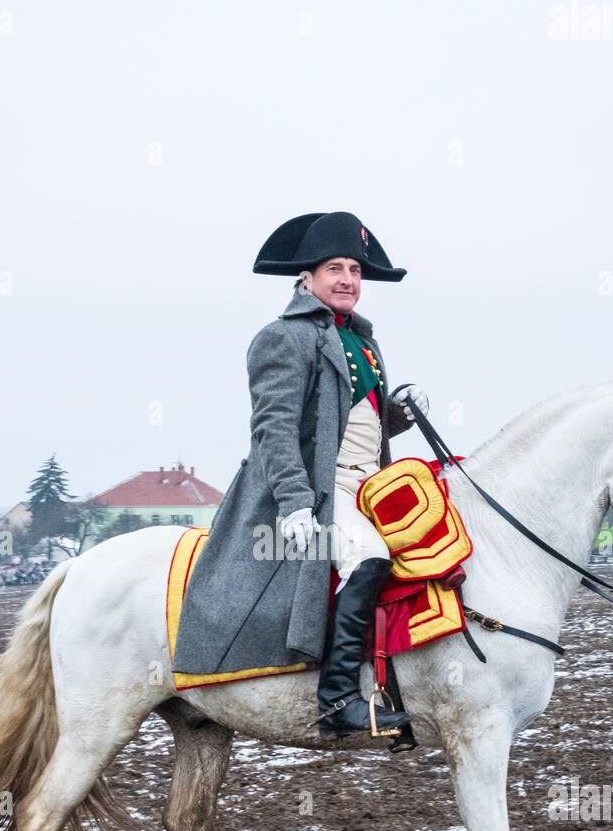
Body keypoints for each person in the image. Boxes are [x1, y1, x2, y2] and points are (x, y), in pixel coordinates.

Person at [170, 210, 428, 738]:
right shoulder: (282, 338)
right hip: (319, 491)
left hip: (367, 484)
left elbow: (351, 428)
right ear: (306, 278)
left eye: (355, 270)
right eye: (334, 268)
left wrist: (398, 416)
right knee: (371, 558)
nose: (348, 280)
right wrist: (294, 503)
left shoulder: (363, 341)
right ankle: (337, 702)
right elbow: (275, 430)